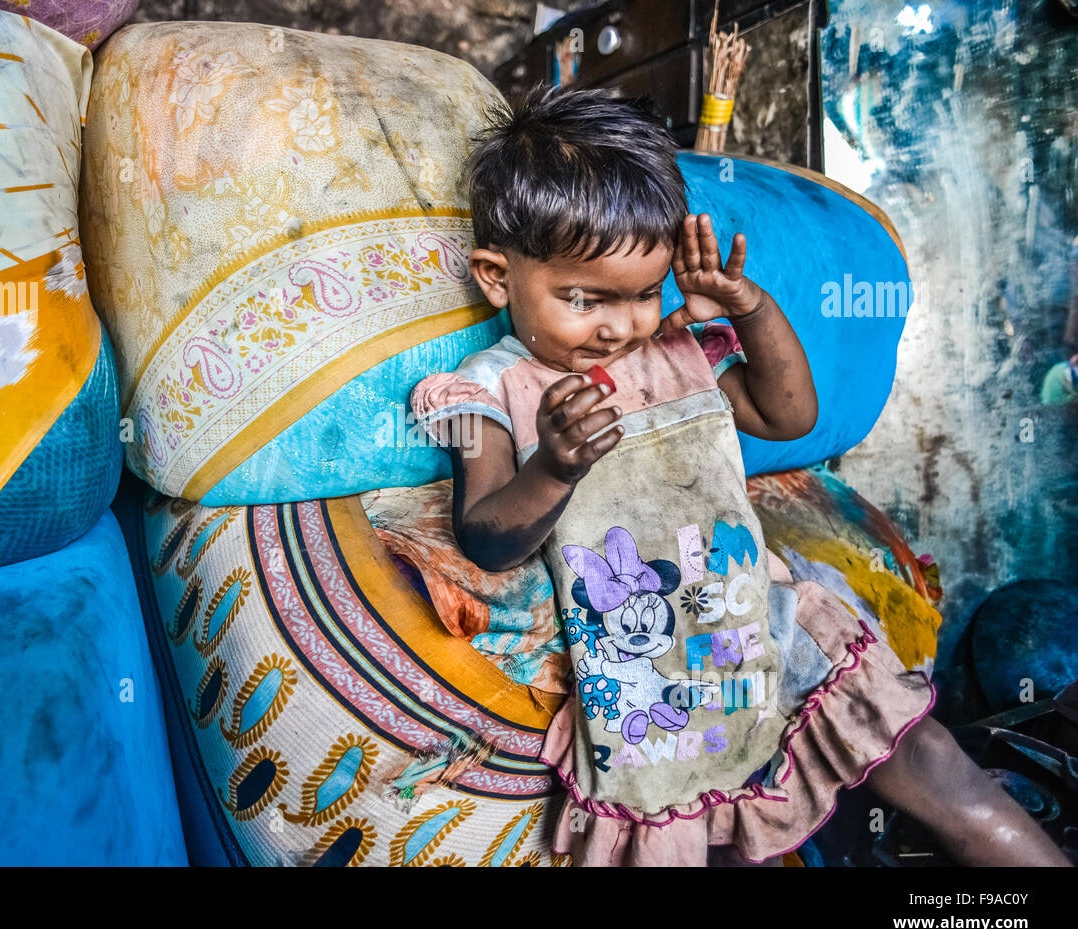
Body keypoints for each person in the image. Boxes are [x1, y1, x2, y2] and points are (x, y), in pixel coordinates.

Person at [409, 83, 1071, 866]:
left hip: (769, 621)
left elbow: (787, 416)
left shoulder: (676, 352)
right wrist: (553, 466)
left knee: (930, 760)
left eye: (643, 294)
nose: (620, 326)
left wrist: (748, 308)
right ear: (496, 276)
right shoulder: (485, 388)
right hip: (648, 685)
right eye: (583, 299)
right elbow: (487, 536)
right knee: (711, 839)